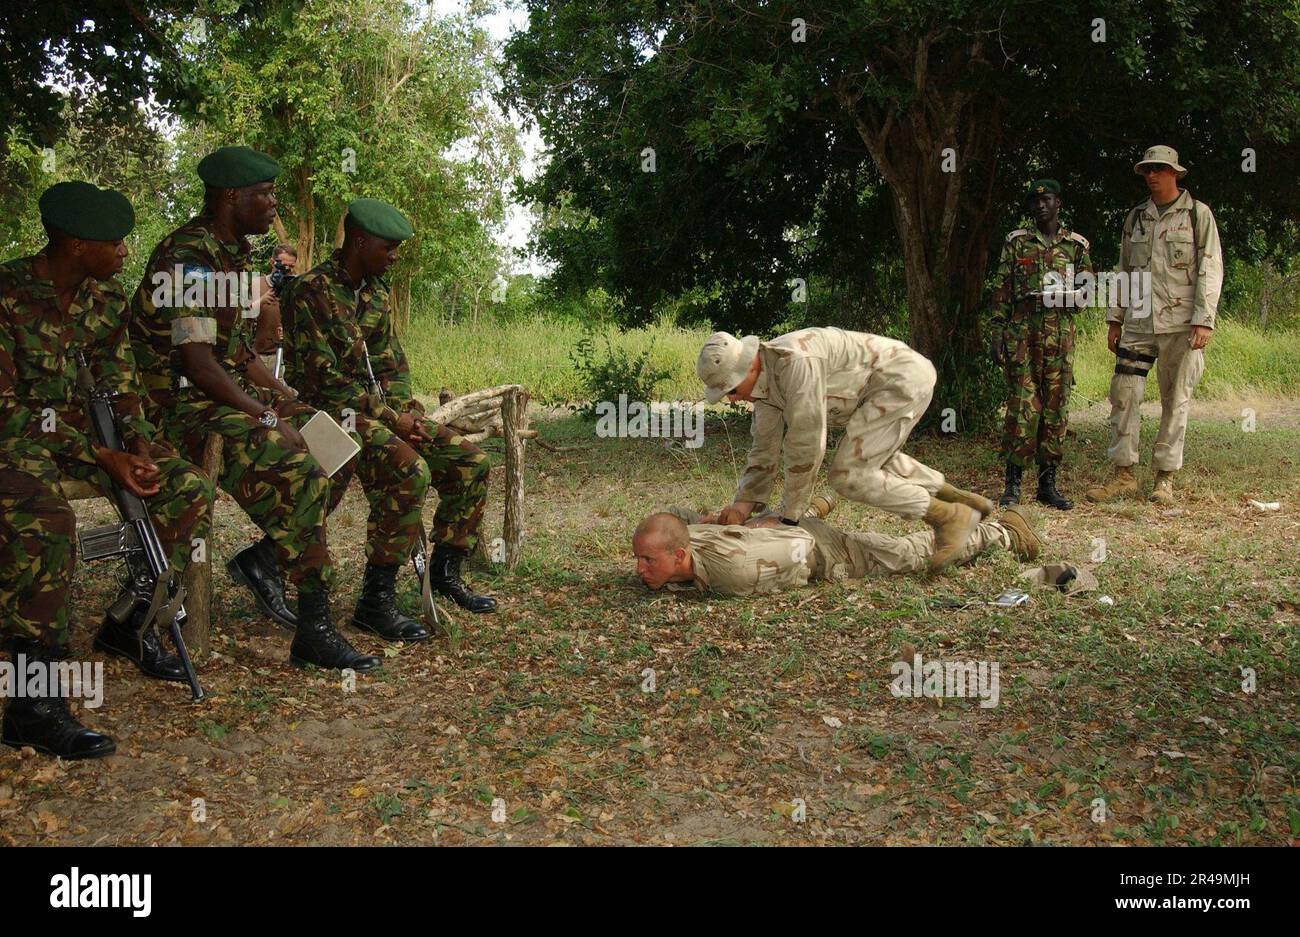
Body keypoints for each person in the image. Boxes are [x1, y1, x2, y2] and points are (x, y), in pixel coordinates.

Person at [128, 146, 379, 673]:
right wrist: (266, 418)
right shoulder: (188, 257)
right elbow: (198, 362)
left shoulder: (235, 254)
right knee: (302, 469)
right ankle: (315, 627)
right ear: (230, 197)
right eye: (264, 194)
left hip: (221, 389)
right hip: (178, 405)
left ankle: (266, 560)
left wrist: (289, 400)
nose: (273, 204)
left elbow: (239, 354)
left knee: (335, 444)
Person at [1, 181, 214, 758]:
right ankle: (31, 704)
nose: (125, 253)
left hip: (89, 438)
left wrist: (139, 448)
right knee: (48, 523)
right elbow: (9, 407)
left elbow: (121, 387)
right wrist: (99, 454)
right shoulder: (7, 295)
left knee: (184, 489)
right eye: (114, 243)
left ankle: (130, 619)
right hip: (15, 436)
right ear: (74, 245)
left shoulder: (105, 302)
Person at [281, 198, 496, 637]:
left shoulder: (375, 292)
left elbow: (392, 365)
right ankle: (375, 601)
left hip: (377, 414)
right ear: (359, 241)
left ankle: (444, 574)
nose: (395, 257)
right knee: (409, 471)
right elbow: (323, 381)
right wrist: (389, 419)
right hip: (328, 415)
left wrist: (406, 414)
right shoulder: (309, 292)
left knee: (470, 462)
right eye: (389, 248)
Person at [695, 327, 993, 569]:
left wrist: (789, 517)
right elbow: (763, 449)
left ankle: (949, 517)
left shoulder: (794, 362)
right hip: (875, 389)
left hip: (899, 378)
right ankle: (960, 499)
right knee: (878, 459)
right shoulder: (763, 389)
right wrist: (743, 505)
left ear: (749, 366)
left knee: (849, 474)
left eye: (731, 389)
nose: (731, 399)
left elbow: (806, 442)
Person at [1086, 145, 1223, 506]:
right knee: (1124, 392)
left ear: (1175, 173)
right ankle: (1123, 475)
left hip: (1182, 325)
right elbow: (1124, 271)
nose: (1152, 175)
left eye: (1160, 169)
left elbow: (1210, 268)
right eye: (1148, 169)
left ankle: (1165, 478)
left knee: (1176, 399)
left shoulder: (1197, 215)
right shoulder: (1136, 218)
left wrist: (1204, 319)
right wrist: (1115, 318)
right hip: (1139, 321)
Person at [631, 505, 1040, 596]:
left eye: (648, 560)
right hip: (780, 525)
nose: (639, 569)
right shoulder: (682, 541)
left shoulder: (733, 573)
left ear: (680, 556)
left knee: (907, 555)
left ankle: (1000, 531)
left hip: (823, 550)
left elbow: (799, 551)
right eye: (640, 558)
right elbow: (679, 517)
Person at [989, 179, 1093, 510]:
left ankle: (1048, 485)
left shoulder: (1076, 247)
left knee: (1055, 409)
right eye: (1034, 203)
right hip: (1023, 333)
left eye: (1046, 200)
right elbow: (1003, 288)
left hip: (1060, 337)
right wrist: (996, 330)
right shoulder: (1017, 243)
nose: (1040, 206)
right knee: (1022, 407)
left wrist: (1074, 295)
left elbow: (1087, 292)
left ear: (1058, 203)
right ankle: (1013, 484)